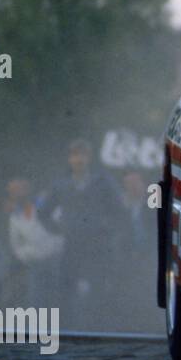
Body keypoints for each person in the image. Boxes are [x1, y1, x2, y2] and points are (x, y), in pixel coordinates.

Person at [39, 139, 128, 329]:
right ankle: (67, 329)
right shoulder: (61, 184)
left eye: (82, 155)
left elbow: (119, 211)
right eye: (74, 155)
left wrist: (106, 228)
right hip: (72, 242)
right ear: (69, 159)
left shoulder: (102, 181)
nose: (78, 159)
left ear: (89, 157)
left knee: (99, 288)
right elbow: (43, 212)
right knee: (66, 287)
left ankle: (99, 328)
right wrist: (58, 228)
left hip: (98, 243)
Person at [3, 177, 63, 308]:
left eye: (19, 189)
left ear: (27, 188)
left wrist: (55, 247)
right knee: (37, 304)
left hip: (59, 261)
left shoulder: (47, 204)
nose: (17, 193)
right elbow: (16, 245)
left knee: (60, 300)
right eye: (13, 191)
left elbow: (63, 228)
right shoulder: (15, 217)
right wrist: (30, 255)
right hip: (36, 266)